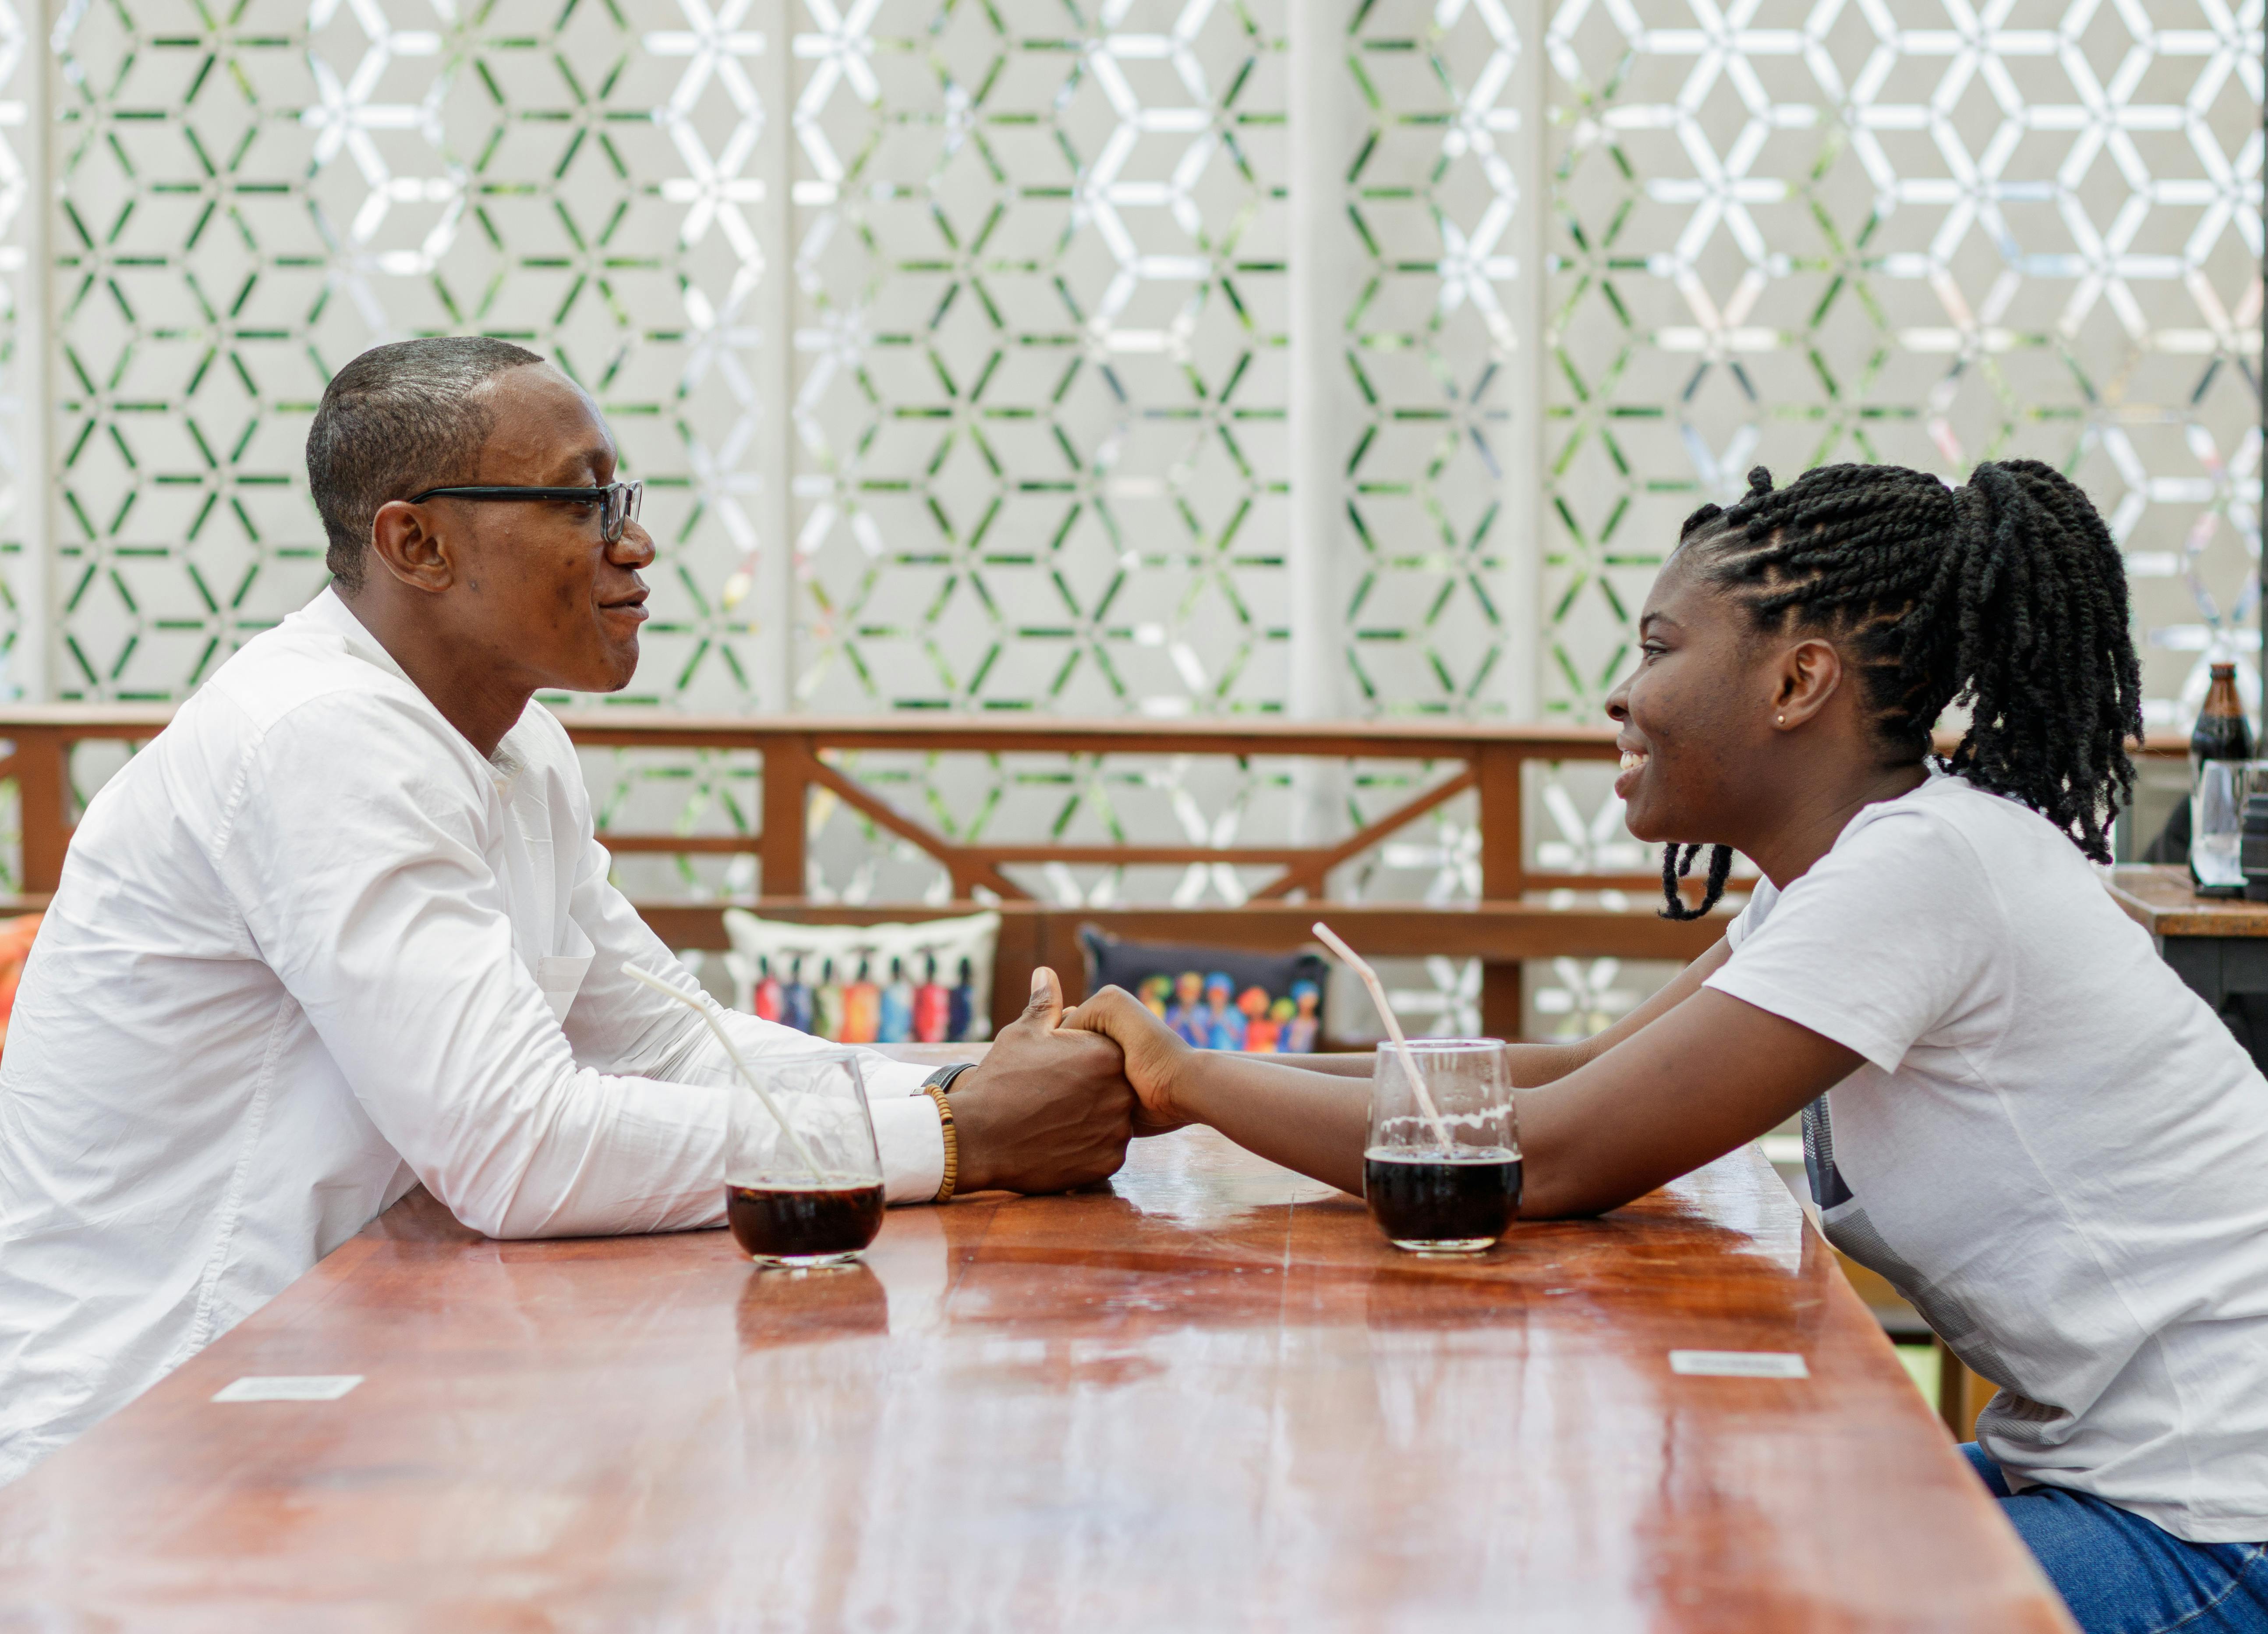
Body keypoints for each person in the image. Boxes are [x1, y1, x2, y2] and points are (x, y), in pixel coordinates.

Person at [1066, 461, 2268, 1633]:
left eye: (1655, 646)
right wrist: (1186, 1082)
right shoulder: (1847, 877)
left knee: (1716, 1596)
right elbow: (1558, 1077)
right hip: (2117, 1472)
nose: (1618, 693)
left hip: (2211, 1514)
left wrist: (1193, 1077)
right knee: (1669, 1540)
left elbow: (1548, 1156)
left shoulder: (1922, 871)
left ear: (1797, 680)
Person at [0, 337, 1134, 1485]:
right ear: (416, 543)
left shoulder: (514, 745)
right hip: (155, 1439)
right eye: (582, 502)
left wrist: (949, 1091)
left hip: (332, 1374)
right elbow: (519, 1147)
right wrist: (955, 1140)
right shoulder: (316, 735)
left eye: (620, 499)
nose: (633, 546)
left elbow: (664, 1037)